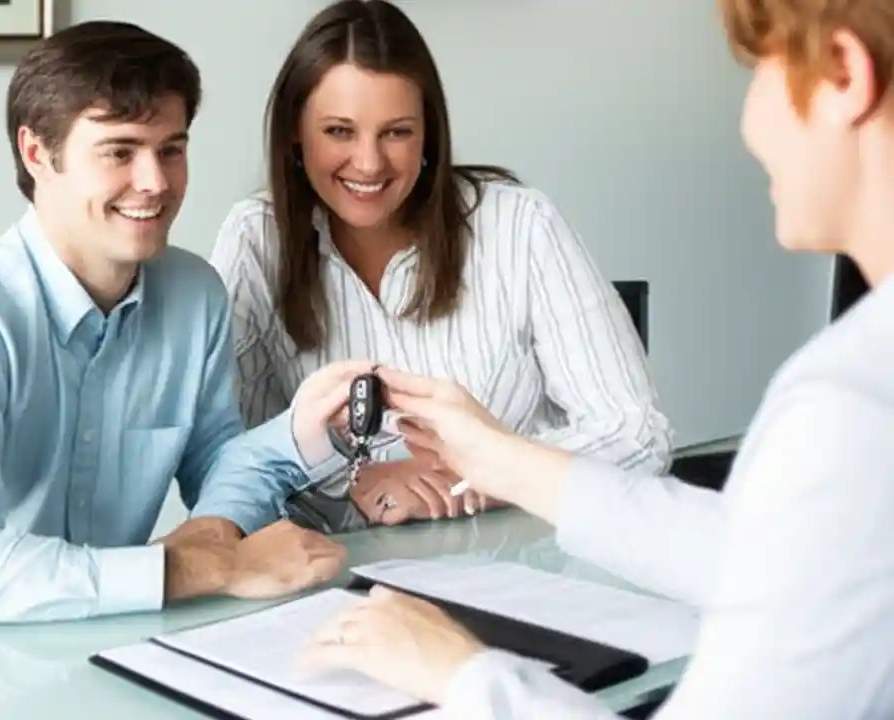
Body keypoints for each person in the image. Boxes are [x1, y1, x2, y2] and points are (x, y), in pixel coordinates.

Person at [299, 0, 894, 716]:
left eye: (757, 72)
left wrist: (461, 672)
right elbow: (771, 557)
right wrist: (493, 456)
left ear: (842, 76)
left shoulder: (851, 406)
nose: (748, 124)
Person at [0, 21, 363, 644]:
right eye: (120, 151)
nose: (156, 182)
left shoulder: (195, 296)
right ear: (37, 153)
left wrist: (299, 437)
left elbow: (218, 471)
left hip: (96, 647)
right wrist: (201, 566)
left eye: (171, 148)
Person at [209, 0, 673, 532]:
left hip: (522, 574)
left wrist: (478, 471)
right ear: (295, 133)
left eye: (396, 132)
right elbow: (223, 466)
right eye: (339, 131)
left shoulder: (520, 224)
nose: (368, 162)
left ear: (429, 133)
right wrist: (351, 479)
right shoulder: (254, 238)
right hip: (335, 587)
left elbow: (638, 436)